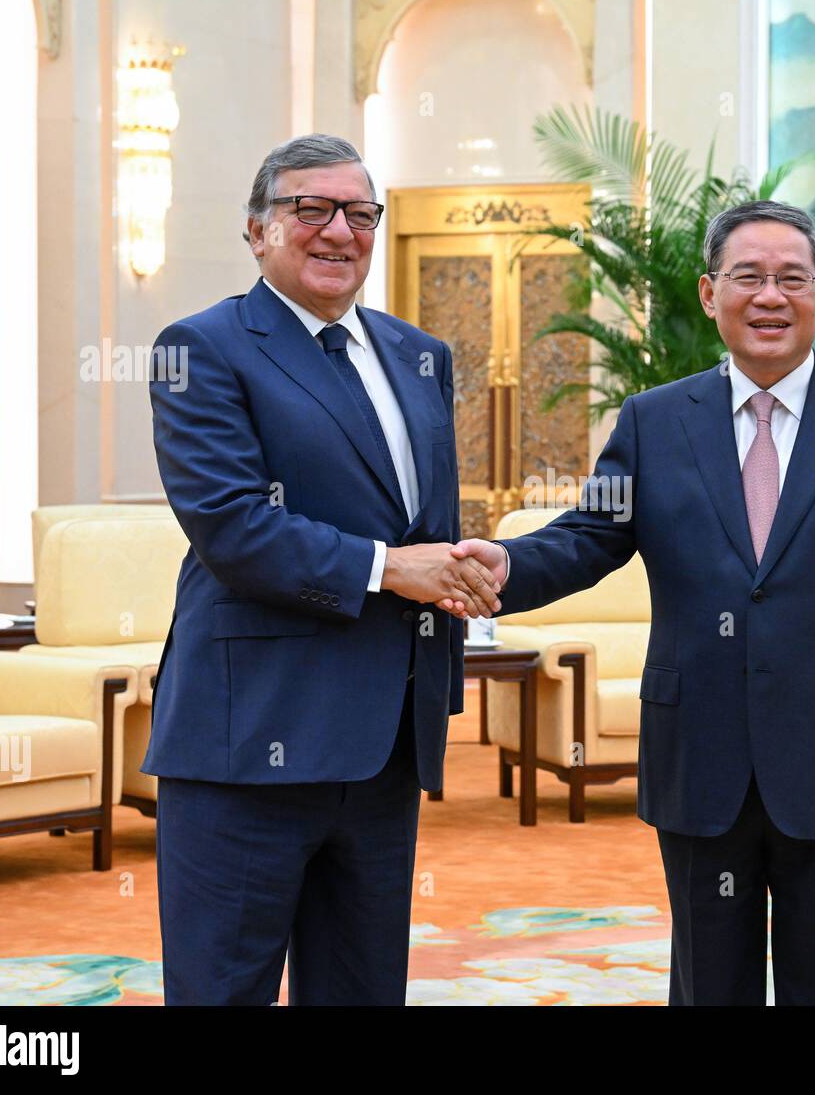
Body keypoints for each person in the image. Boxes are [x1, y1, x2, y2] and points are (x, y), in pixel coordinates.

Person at [446, 200, 815, 1006]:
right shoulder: (654, 422)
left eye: (792, 278)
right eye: (747, 276)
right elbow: (588, 536)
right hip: (700, 752)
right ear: (708, 292)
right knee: (706, 985)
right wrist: (503, 563)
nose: (769, 296)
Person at [146, 133, 500, 1005]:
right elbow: (233, 527)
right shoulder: (200, 348)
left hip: (382, 749)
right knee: (223, 992)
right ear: (258, 230)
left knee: (362, 991)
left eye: (361, 212)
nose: (339, 230)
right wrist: (389, 569)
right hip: (249, 742)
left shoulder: (421, 356)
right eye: (312, 208)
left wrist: (456, 580)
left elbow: (427, 525)